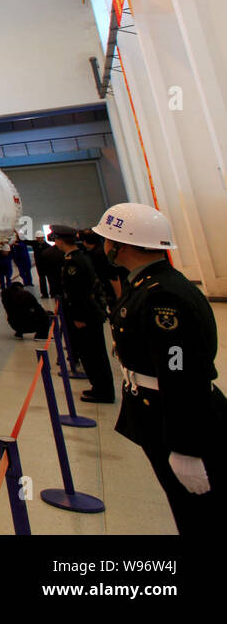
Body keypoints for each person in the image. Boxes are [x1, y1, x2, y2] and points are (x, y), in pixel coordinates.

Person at [95, 202, 226, 534]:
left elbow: (180, 373)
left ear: (121, 246)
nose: (104, 246)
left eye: (107, 240)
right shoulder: (149, 283)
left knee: (198, 514)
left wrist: (186, 448)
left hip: (173, 415)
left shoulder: (162, 297)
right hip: (158, 410)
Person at [51, 225, 114, 403]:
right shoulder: (82, 257)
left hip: (85, 314)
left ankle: (102, 390)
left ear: (61, 241)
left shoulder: (75, 262)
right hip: (90, 312)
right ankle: (101, 388)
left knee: (93, 353)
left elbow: (79, 292)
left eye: (56, 239)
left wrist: (79, 317)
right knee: (94, 353)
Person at [35, 232, 66, 301]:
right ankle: (45, 294)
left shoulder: (47, 247)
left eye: (40, 238)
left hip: (48, 267)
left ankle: (52, 293)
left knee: (51, 280)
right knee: (43, 280)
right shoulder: (36, 245)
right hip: (41, 266)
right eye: (38, 238)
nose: (39, 239)